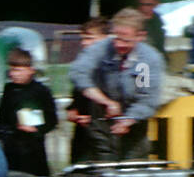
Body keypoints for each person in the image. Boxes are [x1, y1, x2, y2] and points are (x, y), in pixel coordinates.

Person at [69, 8, 165, 162]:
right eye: (116, 38)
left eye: (125, 40)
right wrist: (105, 101)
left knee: (132, 172)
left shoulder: (146, 62)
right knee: (102, 174)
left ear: (140, 36)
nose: (118, 44)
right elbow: (79, 73)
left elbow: (146, 98)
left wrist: (128, 120)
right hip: (101, 122)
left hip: (133, 126)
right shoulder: (102, 49)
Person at [0, 48, 58, 176]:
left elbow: (52, 120)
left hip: (33, 149)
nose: (13, 74)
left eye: (18, 70)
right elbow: (2, 117)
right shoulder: (9, 89)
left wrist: (36, 129)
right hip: (11, 147)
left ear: (31, 70)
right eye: (11, 70)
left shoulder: (41, 91)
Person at [65, 18, 109, 164]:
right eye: (83, 39)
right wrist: (73, 109)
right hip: (82, 136)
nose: (84, 43)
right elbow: (78, 94)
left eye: (90, 38)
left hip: (106, 135)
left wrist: (94, 119)